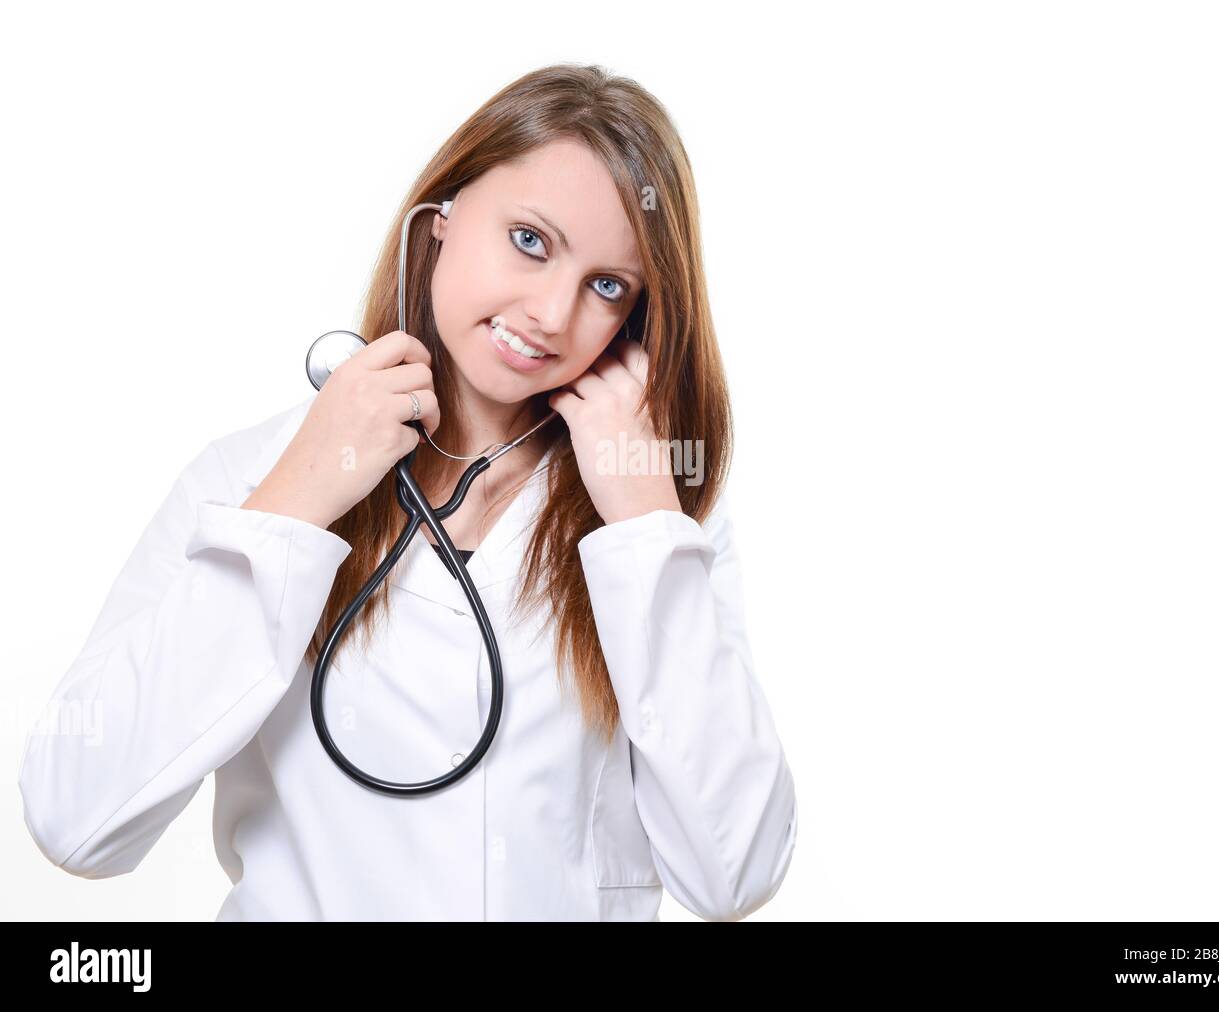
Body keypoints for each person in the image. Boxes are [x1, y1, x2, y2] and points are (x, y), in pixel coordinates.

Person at [17, 63, 797, 922]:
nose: (549, 312)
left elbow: (739, 873)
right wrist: (292, 507)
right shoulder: (250, 476)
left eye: (606, 286)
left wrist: (647, 528)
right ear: (442, 217)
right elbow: (73, 819)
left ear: (635, 325)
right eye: (530, 241)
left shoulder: (652, 519)